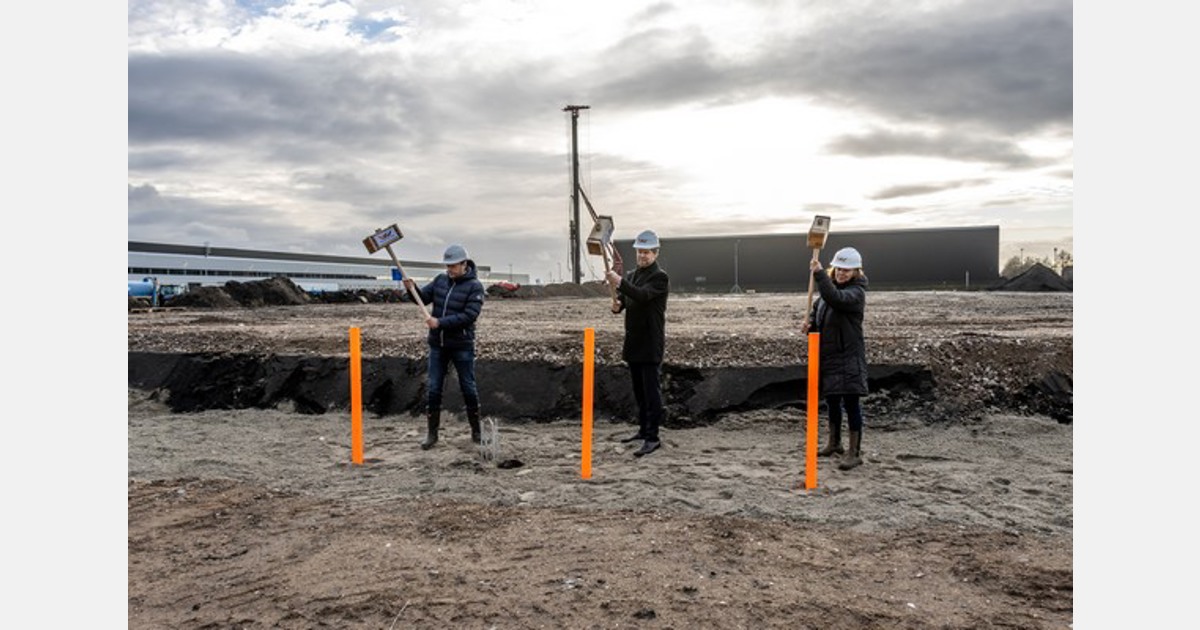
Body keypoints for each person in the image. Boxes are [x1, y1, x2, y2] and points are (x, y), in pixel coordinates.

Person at [403, 243, 486, 450]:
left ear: (464, 264)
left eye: (453, 266)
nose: (449, 270)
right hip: (437, 345)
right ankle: (432, 434)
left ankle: (476, 432)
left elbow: (469, 316)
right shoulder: (440, 281)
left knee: (468, 387)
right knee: (433, 388)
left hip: (461, 345)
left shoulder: (475, 286)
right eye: (447, 266)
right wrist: (411, 290)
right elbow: (423, 299)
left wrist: (440, 323)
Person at [800, 246, 869, 470]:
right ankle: (834, 443)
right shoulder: (825, 295)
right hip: (829, 357)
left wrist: (819, 273)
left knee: (851, 404)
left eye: (846, 270)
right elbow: (818, 314)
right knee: (832, 401)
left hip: (848, 356)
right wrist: (810, 326)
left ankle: (854, 453)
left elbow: (836, 298)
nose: (841, 273)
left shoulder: (856, 294)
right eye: (838, 269)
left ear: (855, 272)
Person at [605, 229, 670, 457]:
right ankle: (643, 431)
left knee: (651, 393)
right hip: (633, 342)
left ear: (655, 253)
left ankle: (653, 437)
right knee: (639, 392)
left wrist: (619, 281)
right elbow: (624, 300)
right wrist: (617, 306)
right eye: (640, 251)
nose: (643, 256)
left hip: (650, 343)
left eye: (647, 252)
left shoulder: (660, 277)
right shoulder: (632, 275)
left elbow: (642, 296)